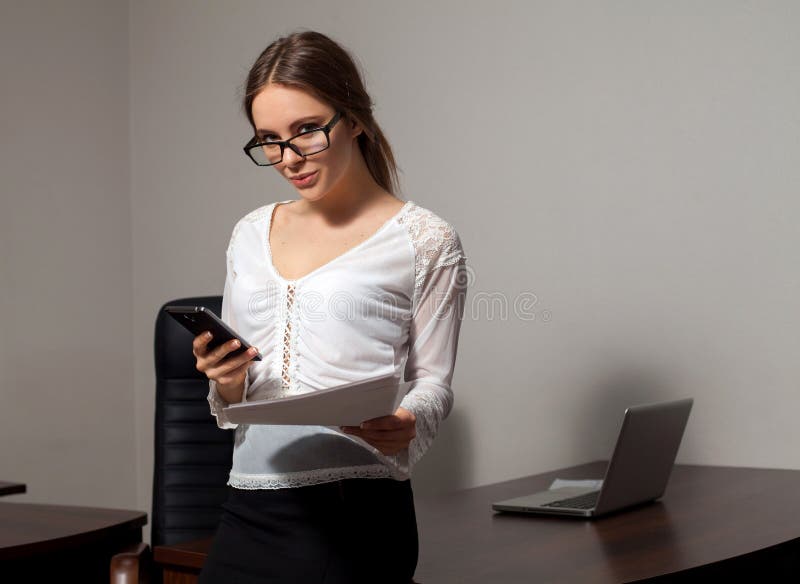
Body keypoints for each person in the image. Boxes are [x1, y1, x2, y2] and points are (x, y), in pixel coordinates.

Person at [193, 29, 469, 584]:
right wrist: (226, 378)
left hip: (355, 511)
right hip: (248, 505)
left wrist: (409, 421)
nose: (288, 158)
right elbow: (239, 389)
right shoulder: (250, 233)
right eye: (269, 140)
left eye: (306, 131)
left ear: (355, 118)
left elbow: (434, 383)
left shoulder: (425, 239)